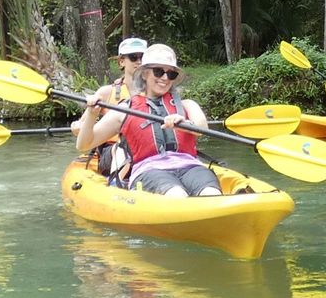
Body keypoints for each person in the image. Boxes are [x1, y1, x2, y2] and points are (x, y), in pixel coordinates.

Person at [82, 43, 221, 196]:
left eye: (171, 74)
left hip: (191, 167)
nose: (165, 78)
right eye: (158, 71)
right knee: (176, 194)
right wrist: (91, 114)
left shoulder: (188, 105)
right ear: (144, 74)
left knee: (211, 193)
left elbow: (202, 127)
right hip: (150, 170)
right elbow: (84, 144)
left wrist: (184, 125)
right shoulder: (124, 110)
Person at [75, 36, 146, 180]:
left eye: (142, 57)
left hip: (144, 148)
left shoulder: (153, 93)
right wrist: (77, 126)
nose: (139, 61)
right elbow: (81, 128)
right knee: (124, 149)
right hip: (111, 150)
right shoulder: (106, 93)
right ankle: (118, 185)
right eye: (133, 57)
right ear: (121, 61)